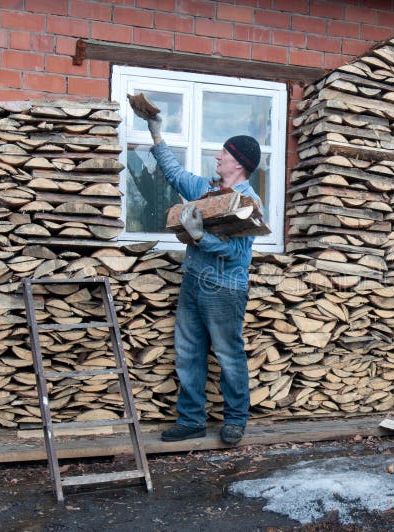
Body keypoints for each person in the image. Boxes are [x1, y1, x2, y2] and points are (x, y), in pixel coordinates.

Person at [135, 107, 262, 445]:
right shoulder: (206, 190)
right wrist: (156, 133)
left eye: (224, 153)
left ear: (239, 162)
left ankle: (236, 420)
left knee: (228, 355)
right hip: (193, 280)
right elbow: (174, 172)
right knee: (188, 352)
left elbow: (237, 254)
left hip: (224, 288)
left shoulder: (248, 202)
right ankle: (191, 420)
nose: (217, 156)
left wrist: (199, 236)